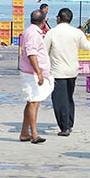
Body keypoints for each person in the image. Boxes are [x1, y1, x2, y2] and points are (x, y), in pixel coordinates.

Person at [45, 8, 90, 136]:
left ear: (59, 18)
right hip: (73, 70)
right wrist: (83, 34)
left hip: (58, 71)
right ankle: (69, 124)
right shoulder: (76, 33)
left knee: (59, 100)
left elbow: (44, 50)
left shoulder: (52, 32)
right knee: (69, 98)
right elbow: (87, 47)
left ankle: (64, 127)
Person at [19, 9, 54, 144]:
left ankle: (24, 133)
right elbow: (32, 54)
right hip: (31, 73)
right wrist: (39, 72)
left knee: (31, 102)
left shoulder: (32, 31)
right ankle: (34, 134)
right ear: (44, 21)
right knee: (34, 103)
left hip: (32, 72)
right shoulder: (33, 33)